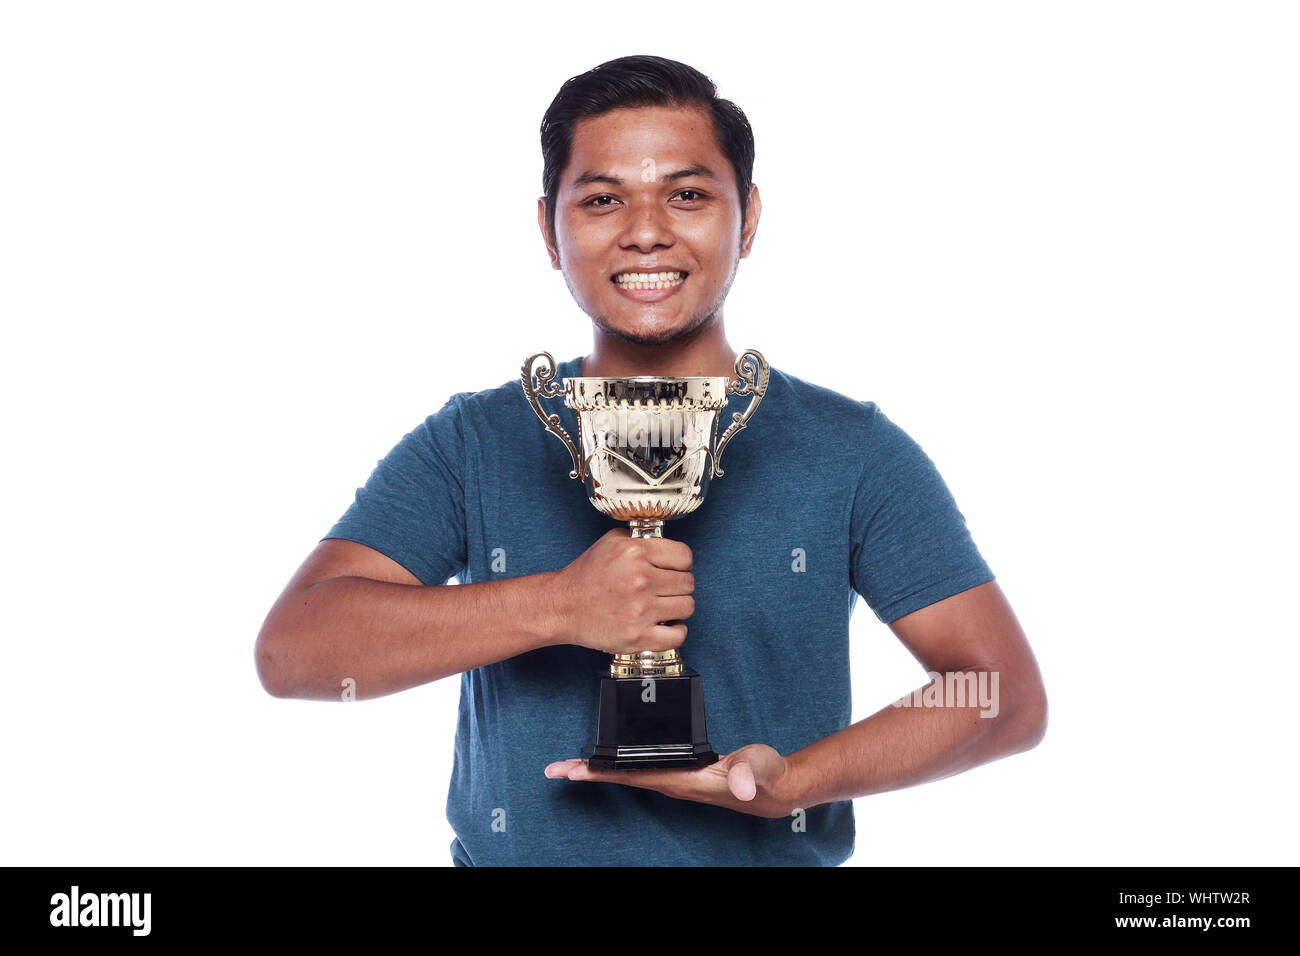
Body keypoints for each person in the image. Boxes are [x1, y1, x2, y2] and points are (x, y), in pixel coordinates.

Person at [255, 55, 1048, 866]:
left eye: (688, 194)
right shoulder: (478, 440)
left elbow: (1003, 695)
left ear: (748, 219)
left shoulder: (850, 449)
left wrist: (795, 781)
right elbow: (295, 651)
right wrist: (559, 606)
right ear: (548, 231)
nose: (645, 230)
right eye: (602, 199)